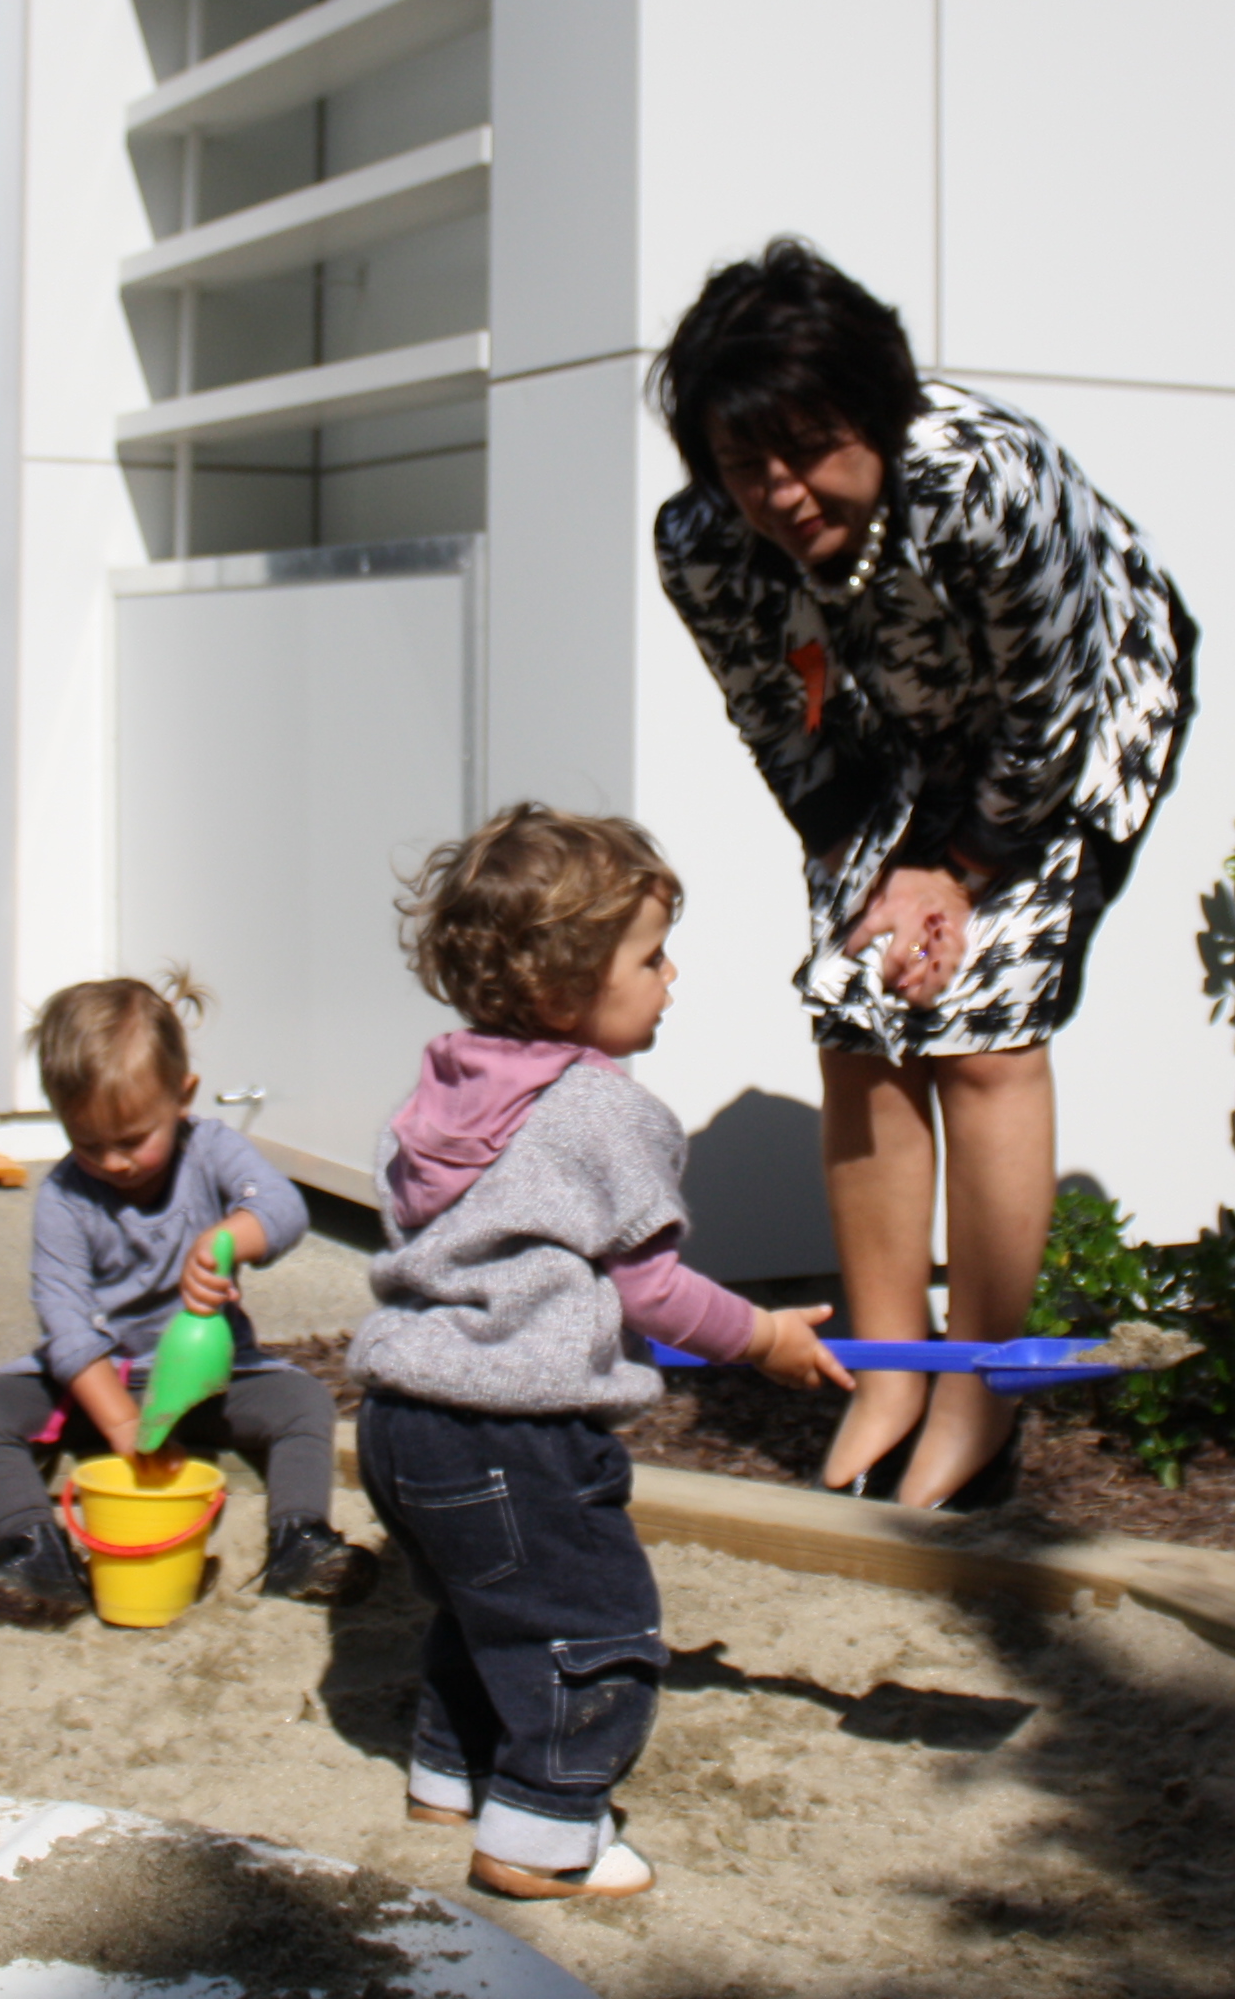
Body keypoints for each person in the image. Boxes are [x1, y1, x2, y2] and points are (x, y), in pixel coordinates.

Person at [654, 243, 1198, 1510]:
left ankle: (983, 1385)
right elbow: (781, 727)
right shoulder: (701, 541)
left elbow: (1053, 710)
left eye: (814, 449)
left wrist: (963, 868)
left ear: (877, 415)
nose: (783, 492)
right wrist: (882, 872)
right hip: (886, 745)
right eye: (748, 464)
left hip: (1066, 728)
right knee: (861, 1010)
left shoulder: (986, 477)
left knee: (985, 1034)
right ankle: (888, 1374)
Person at [352, 805, 854, 1902]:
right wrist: (763, 1335)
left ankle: (451, 1773)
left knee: (486, 1611)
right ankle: (542, 1837)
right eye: (651, 955)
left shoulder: (442, 1086)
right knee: (594, 1627)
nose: (671, 977)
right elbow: (653, 1287)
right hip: (511, 1434)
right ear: (560, 989)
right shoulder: (600, 1113)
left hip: (400, 1422)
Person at [0, 976, 375, 1628]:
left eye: (132, 1139)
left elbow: (283, 1208)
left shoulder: (210, 1152)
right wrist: (123, 1424)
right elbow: (66, 1328)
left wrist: (232, 1236)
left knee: (303, 1402)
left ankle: (300, 1541)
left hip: (209, 1378)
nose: (114, 1162)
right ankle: (34, 1552)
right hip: (101, 1385)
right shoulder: (65, 1200)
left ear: (182, 1097)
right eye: (89, 1143)